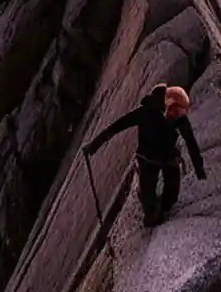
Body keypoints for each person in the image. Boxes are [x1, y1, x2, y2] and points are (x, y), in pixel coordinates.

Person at [84, 83, 206, 227]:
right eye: (177, 111)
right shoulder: (146, 112)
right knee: (150, 208)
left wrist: (199, 170)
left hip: (167, 157)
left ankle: (162, 204)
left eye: (181, 112)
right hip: (147, 159)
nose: (179, 115)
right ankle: (150, 208)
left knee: (171, 197)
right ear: (169, 105)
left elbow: (191, 142)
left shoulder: (179, 118)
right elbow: (119, 125)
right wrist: (94, 145)